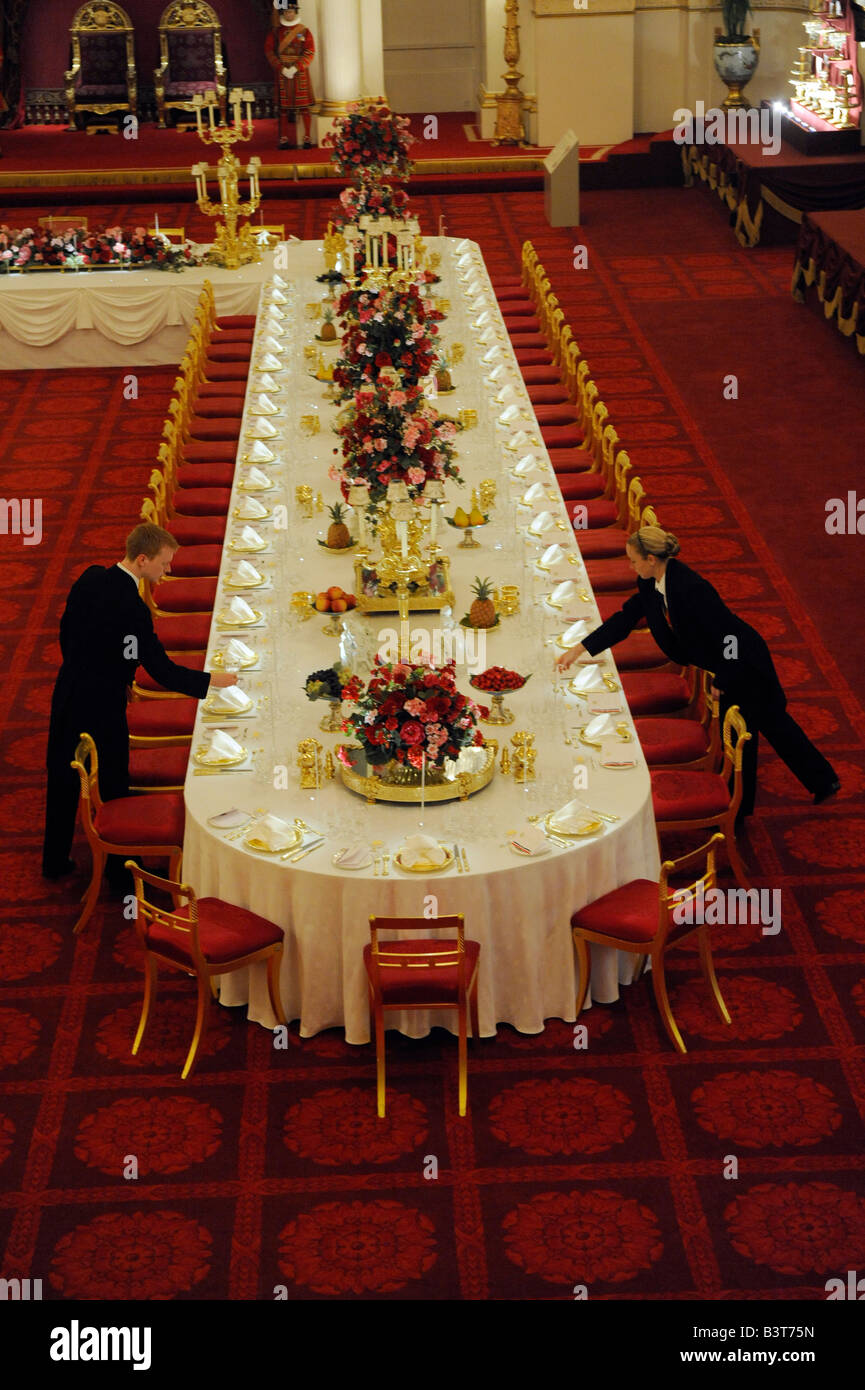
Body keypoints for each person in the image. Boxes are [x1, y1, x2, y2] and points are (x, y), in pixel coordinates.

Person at [556, 525, 840, 814]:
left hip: (742, 661)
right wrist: (580, 649)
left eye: (633, 560)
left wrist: (725, 677)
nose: (630, 565)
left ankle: (741, 809)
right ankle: (816, 783)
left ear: (651, 559)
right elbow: (625, 620)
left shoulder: (691, 589)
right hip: (723, 660)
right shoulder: (651, 583)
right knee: (766, 724)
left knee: (755, 729)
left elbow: (731, 636)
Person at [42, 522, 237, 883]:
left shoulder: (90, 577)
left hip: (68, 689)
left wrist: (104, 670)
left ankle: (54, 860)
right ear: (143, 559)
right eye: (164, 564)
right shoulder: (132, 609)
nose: (168, 571)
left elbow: (67, 633)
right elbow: (161, 671)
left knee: (62, 773)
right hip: (103, 704)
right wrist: (212, 682)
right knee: (116, 779)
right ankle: (121, 872)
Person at [265, 2, 315, 150]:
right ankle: (284, 139)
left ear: (295, 12)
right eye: (286, 12)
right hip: (282, 73)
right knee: (283, 109)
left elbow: (310, 52)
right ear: (282, 13)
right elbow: (269, 52)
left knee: (304, 107)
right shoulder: (275, 33)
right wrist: (281, 68)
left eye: (291, 11)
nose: (289, 14)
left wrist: (297, 67)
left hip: (299, 72)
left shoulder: (304, 31)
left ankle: (307, 138)